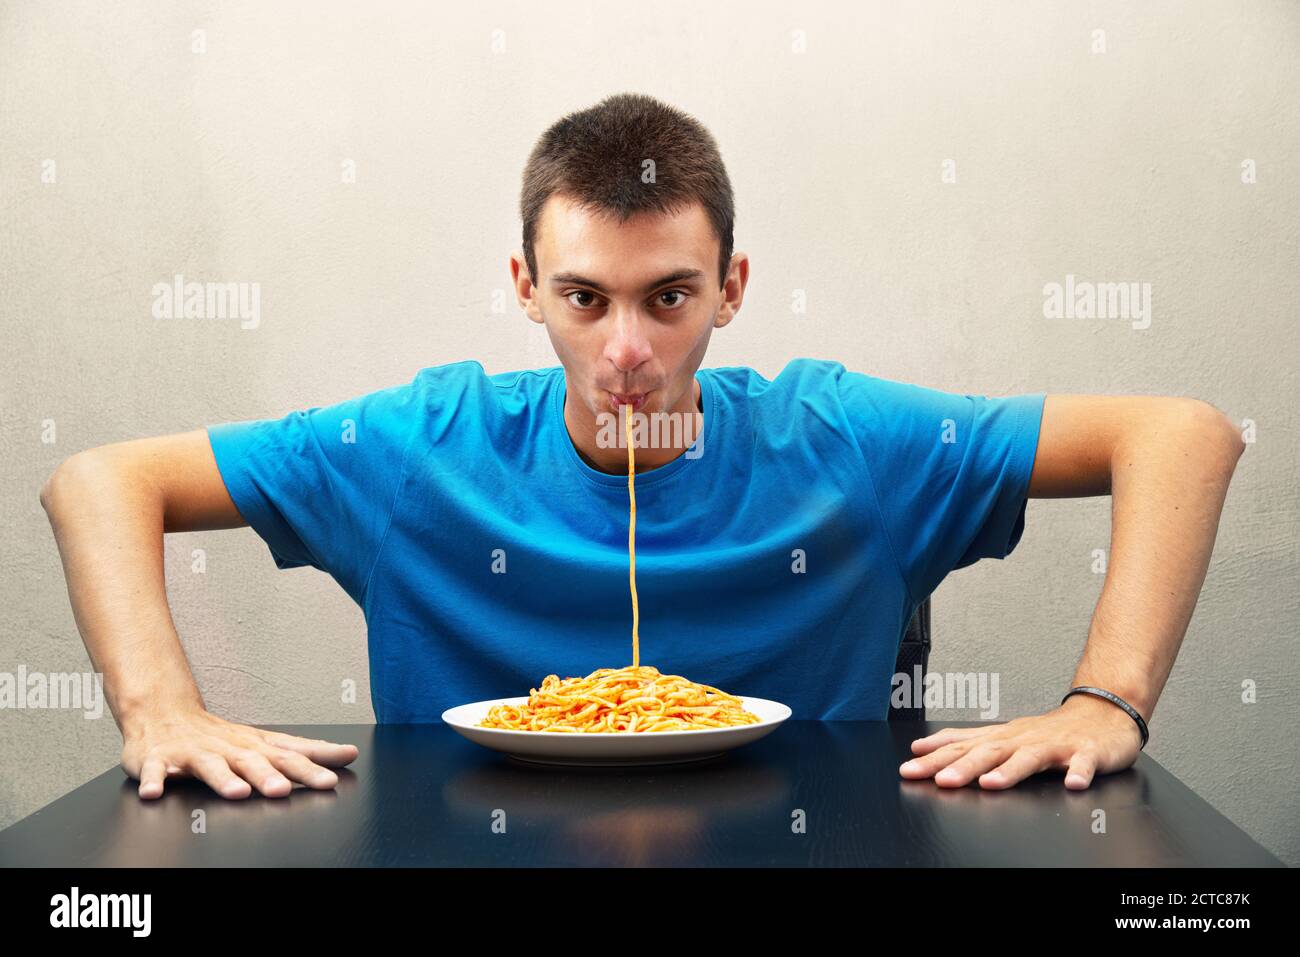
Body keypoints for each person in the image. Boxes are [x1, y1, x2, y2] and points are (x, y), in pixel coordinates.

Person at [39, 93, 1245, 801]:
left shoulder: (846, 440)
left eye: (667, 298)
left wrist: (1107, 702)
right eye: (583, 299)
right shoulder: (419, 447)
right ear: (524, 289)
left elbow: (1178, 435)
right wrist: (161, 712)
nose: (624, 350)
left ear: (732, 289)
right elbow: (100, 479)